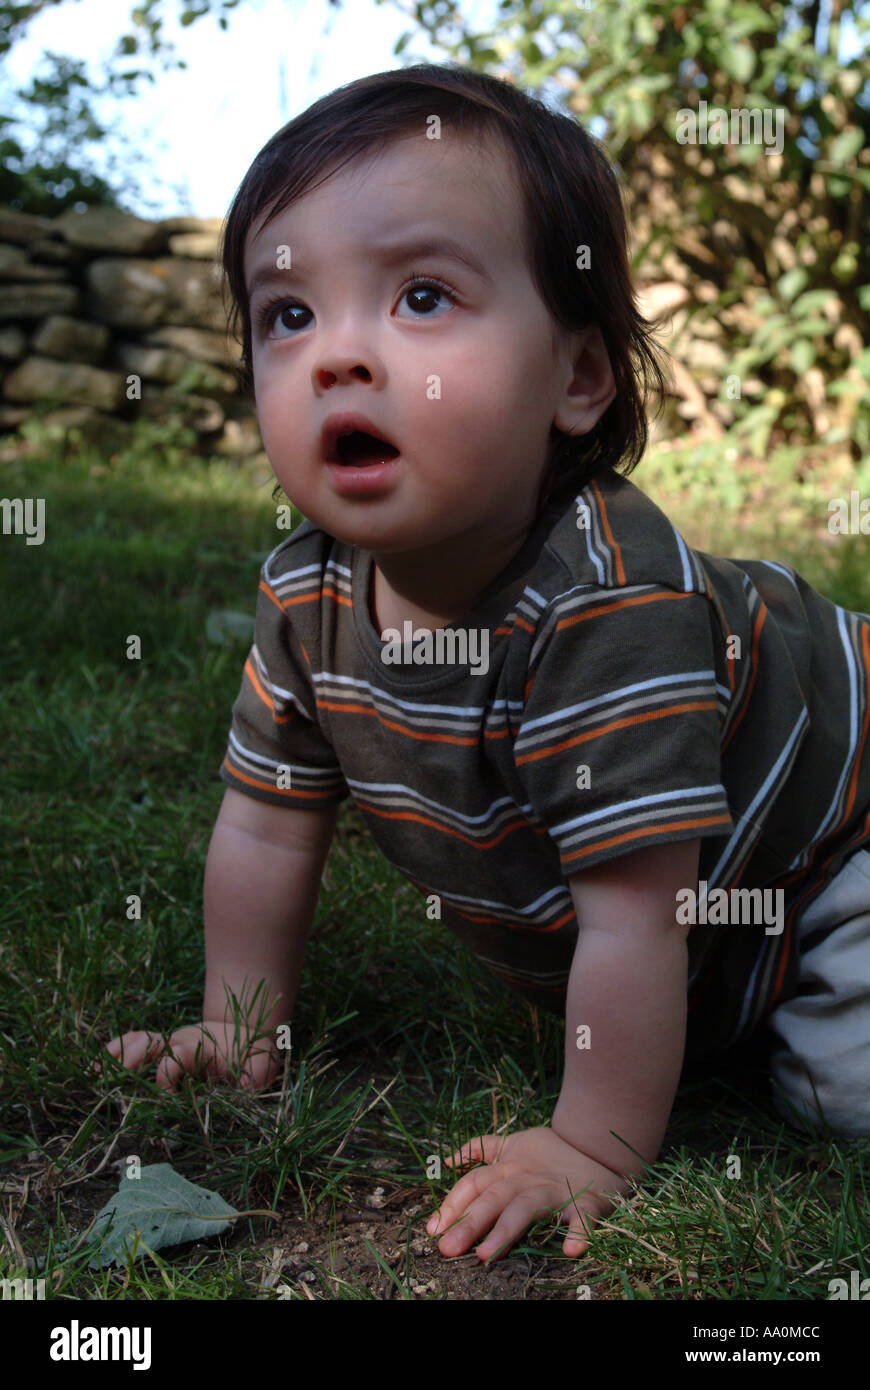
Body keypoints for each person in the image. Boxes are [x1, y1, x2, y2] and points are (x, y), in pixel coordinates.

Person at [103, 64, 870, 1265]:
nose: (336, 356)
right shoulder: (307, 597)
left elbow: (636, 914)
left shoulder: (608, 604)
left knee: (845, 1092)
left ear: (576, 377)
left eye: (419, 295)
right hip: (715, 918)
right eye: (288, 314)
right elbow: (264, 825)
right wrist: (238, 1026)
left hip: (837, 851)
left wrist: (593, 1142)